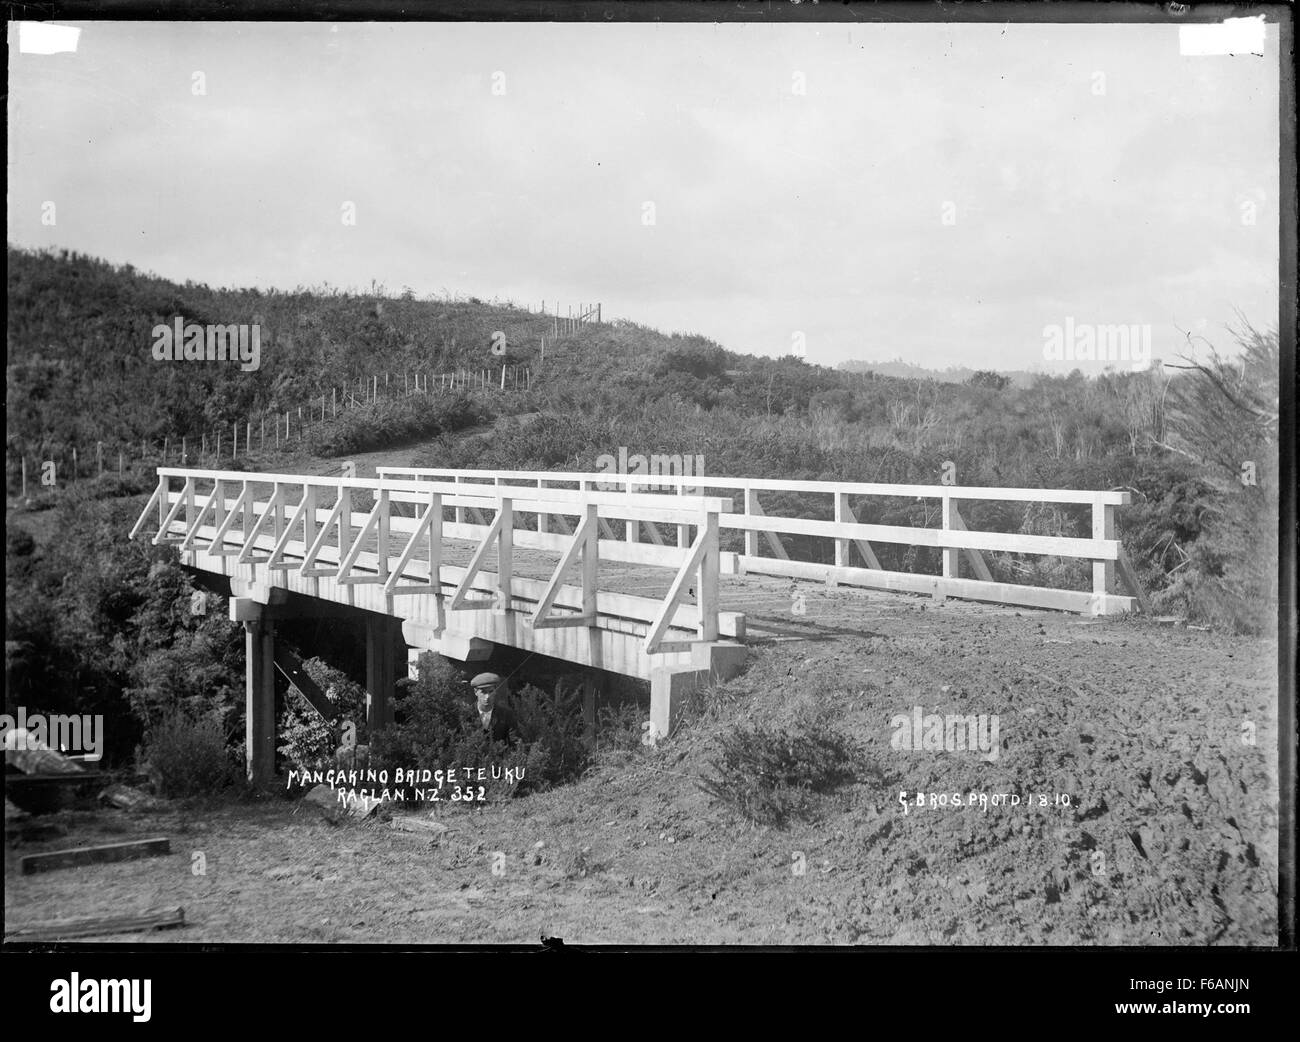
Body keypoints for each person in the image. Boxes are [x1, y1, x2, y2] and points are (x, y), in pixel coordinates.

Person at [470, 672, 519, 744]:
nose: (487, 697)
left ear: (495, 691)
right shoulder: (467, 714)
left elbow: (515, 741)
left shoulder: (506, 714)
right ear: (475, 692)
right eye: (483, 692)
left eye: (491, 691)